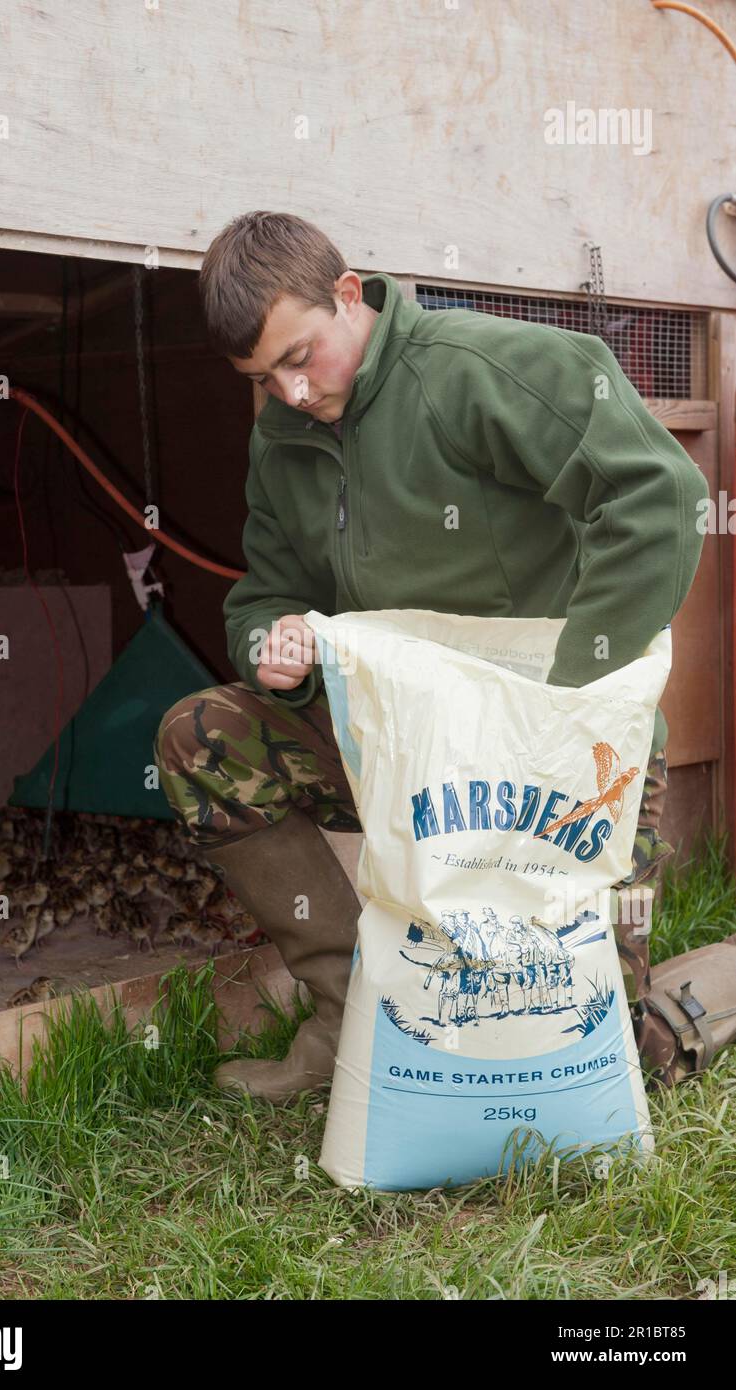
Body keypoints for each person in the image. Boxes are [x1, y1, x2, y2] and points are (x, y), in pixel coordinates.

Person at [156, 210, 709, 1102]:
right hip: (404, 753)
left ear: (347, 295)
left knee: (591, 1058)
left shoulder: (481, 370)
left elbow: (659, 497)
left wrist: (564, 697)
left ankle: (690, 1006)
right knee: (201, 737)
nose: (290, 394)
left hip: (563, 757)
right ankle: (356, 1022)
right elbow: (264, 591)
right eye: (263, 379)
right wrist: (274, 642)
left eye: (299, 359)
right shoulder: (283, 436)